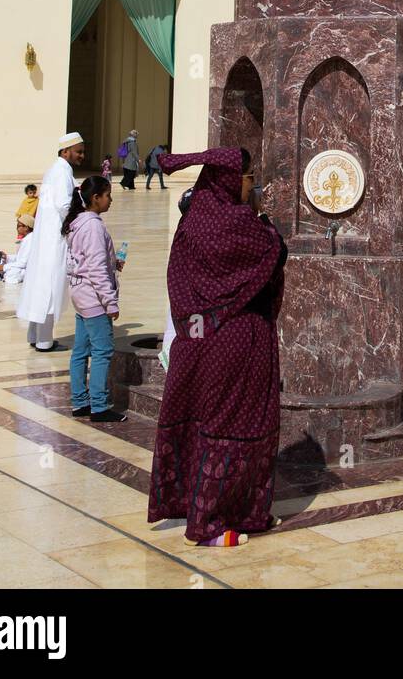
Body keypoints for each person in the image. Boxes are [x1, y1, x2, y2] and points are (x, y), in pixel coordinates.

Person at [148, 147, 286, 548]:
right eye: (248, 178)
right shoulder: (241, 225)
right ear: (230, 179)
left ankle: (224, 510)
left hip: (196, 341)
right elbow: (275, 252)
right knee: (235, 425)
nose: (252, 186)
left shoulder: (194, 221)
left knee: (202, 422)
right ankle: (211, 523)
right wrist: (267, 223)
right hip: (238, 341)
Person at [62, 175, 126, 423]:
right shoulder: (93, 226)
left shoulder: (77, 222)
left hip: (80, 293)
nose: (110, 200)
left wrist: (113, 262)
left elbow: (86, 260)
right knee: (102, 351)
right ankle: (99, 406)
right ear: (95, 198)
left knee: (80, 350)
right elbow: (96, 269)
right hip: (93, 297)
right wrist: (110, 302)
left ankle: (80, 401)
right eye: (108, 195)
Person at [17, 131, 85, 351]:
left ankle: (35, 335)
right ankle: (44, 341)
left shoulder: (55, 170)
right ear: (65, 151)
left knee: (41, 284)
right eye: (78, 152)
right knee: (49, 287)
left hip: (46, 238)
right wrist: (80, 223)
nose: (81, 156)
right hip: (55, 239)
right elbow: (64, 206)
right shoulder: (61, 173)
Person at [0, 205, 36, 282]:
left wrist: (4, 267)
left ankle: (0, 275)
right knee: (2, 259)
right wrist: (6, 257)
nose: (17, 228)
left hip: (28, 269)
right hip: (22, 266)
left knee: (13, 273)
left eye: (19, 226)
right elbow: (19, 258)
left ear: (26, 228)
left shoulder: (30, 240)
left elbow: (23, 263)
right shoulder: (27, 238)